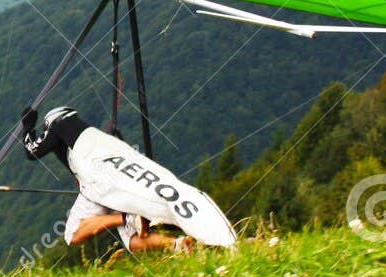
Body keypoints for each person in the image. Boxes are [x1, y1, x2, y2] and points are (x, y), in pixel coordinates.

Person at [21, 106, 236, 254]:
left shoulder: (57, 124)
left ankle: (126, 218)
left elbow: (33, 151)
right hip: (117, 180)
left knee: (73, 234)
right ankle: (179, 245)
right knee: (131, 241)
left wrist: (27, 128)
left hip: (96, 184)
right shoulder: (96, 134)